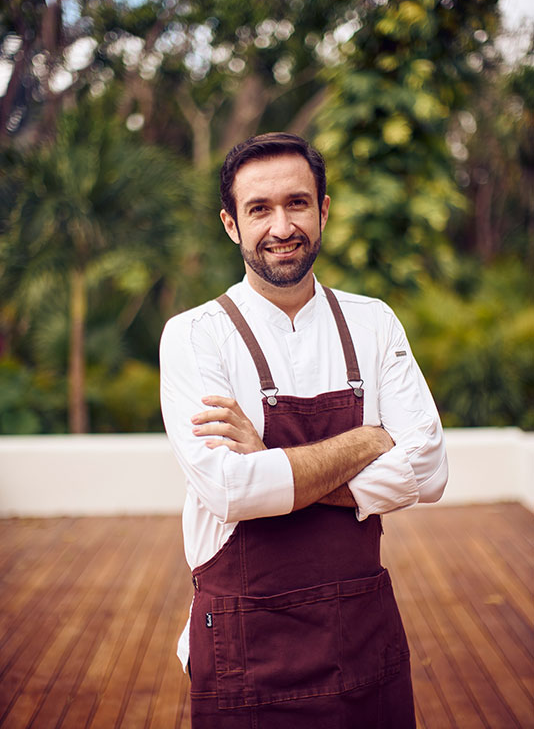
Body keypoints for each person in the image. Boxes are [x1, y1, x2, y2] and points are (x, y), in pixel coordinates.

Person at [160, 132, 448, 728]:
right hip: (245, 651)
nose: (281, 225)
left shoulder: (374, 323)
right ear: (231, 225)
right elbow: (231, 490)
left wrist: (272, 461)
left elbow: (430, 469)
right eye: (258, 209)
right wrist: (370, 441)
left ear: (323, 211)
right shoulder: (195, 336)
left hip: (364, 642)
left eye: (296, 203)